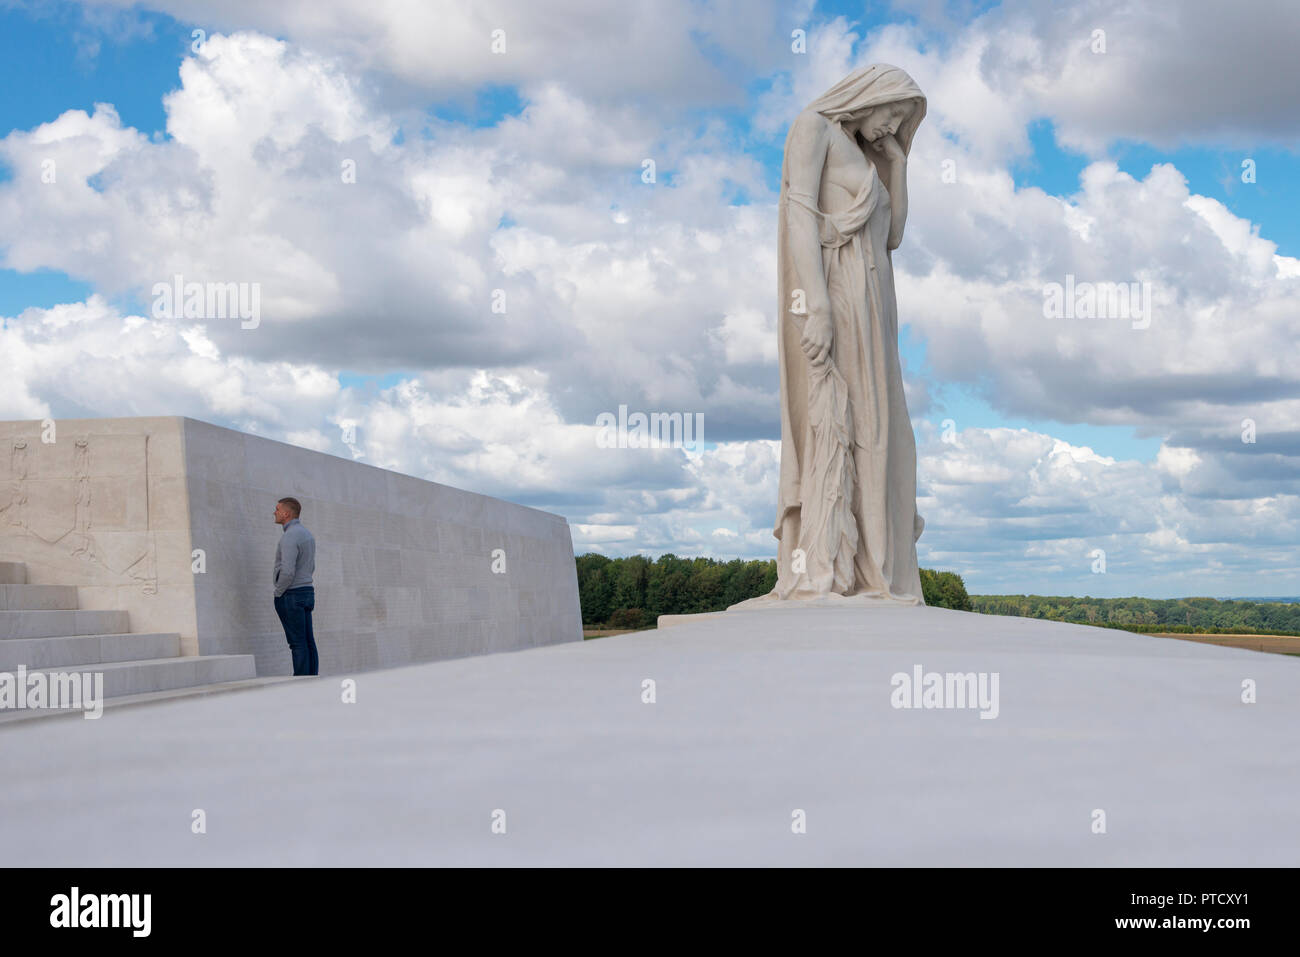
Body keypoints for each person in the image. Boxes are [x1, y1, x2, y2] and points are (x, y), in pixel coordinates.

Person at [764, 64, 928, 605]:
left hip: (876, 305)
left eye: (903, 122)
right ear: (870, 96)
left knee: (887, 433)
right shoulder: (814, 127)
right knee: (845, 425)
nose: (893, 127)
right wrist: (815, 306)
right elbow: (798, 216)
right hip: (836, 292)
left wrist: (897, 166)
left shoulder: (871, 156)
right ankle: (831, 565)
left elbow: (894, 236)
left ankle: (881, 567)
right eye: (893, 115)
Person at [273, 496, 318, 675]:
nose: (274, 512)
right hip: (307, 592)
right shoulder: (306, 534)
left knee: (297, 644)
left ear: (286, 513)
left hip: (292, 594)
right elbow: (311, 566)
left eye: (277, 509)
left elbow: (288, 571)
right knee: (308, 642)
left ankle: (301, 686)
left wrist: (278, 592)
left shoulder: (290, 537)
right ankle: (312, 681)